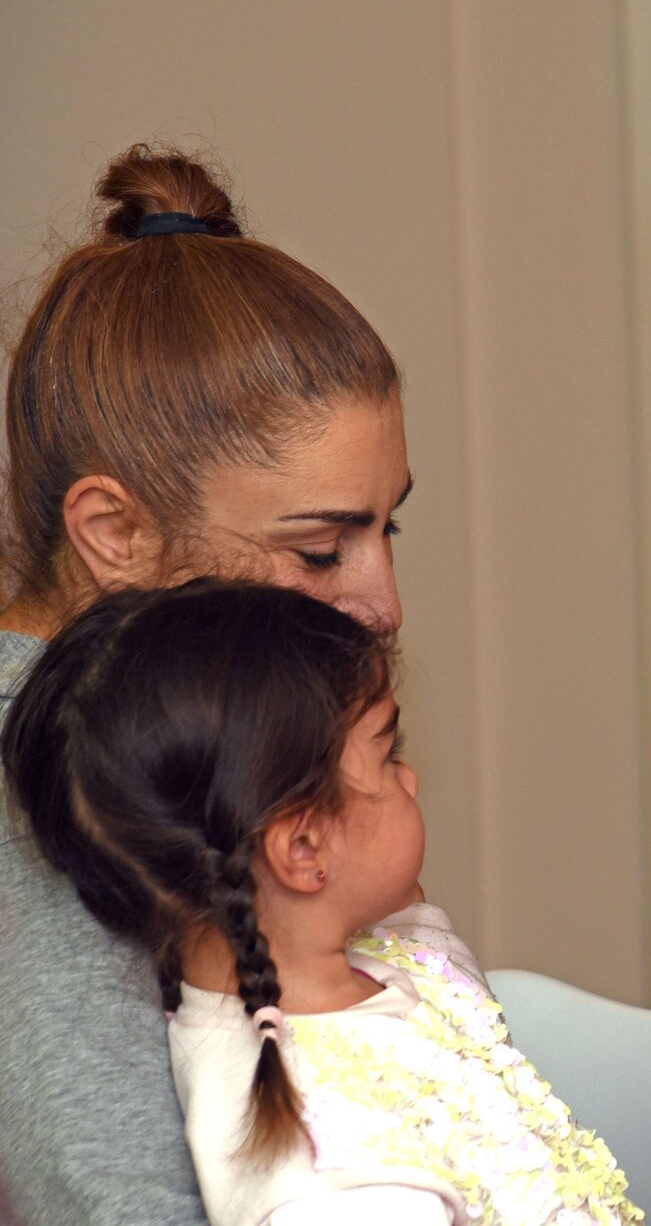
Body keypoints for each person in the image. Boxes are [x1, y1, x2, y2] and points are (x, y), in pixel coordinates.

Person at [0, 146, 467, 1223]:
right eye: (319, 550)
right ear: (113, 533)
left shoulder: (217, 731)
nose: (382, 602)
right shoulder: (58, 786)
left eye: (383, 525)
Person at [3, 580, 640, 1225]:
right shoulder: (330, 1175)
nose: (411, 778)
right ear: (303, 848)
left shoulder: (388, 951)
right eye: (388, 756)